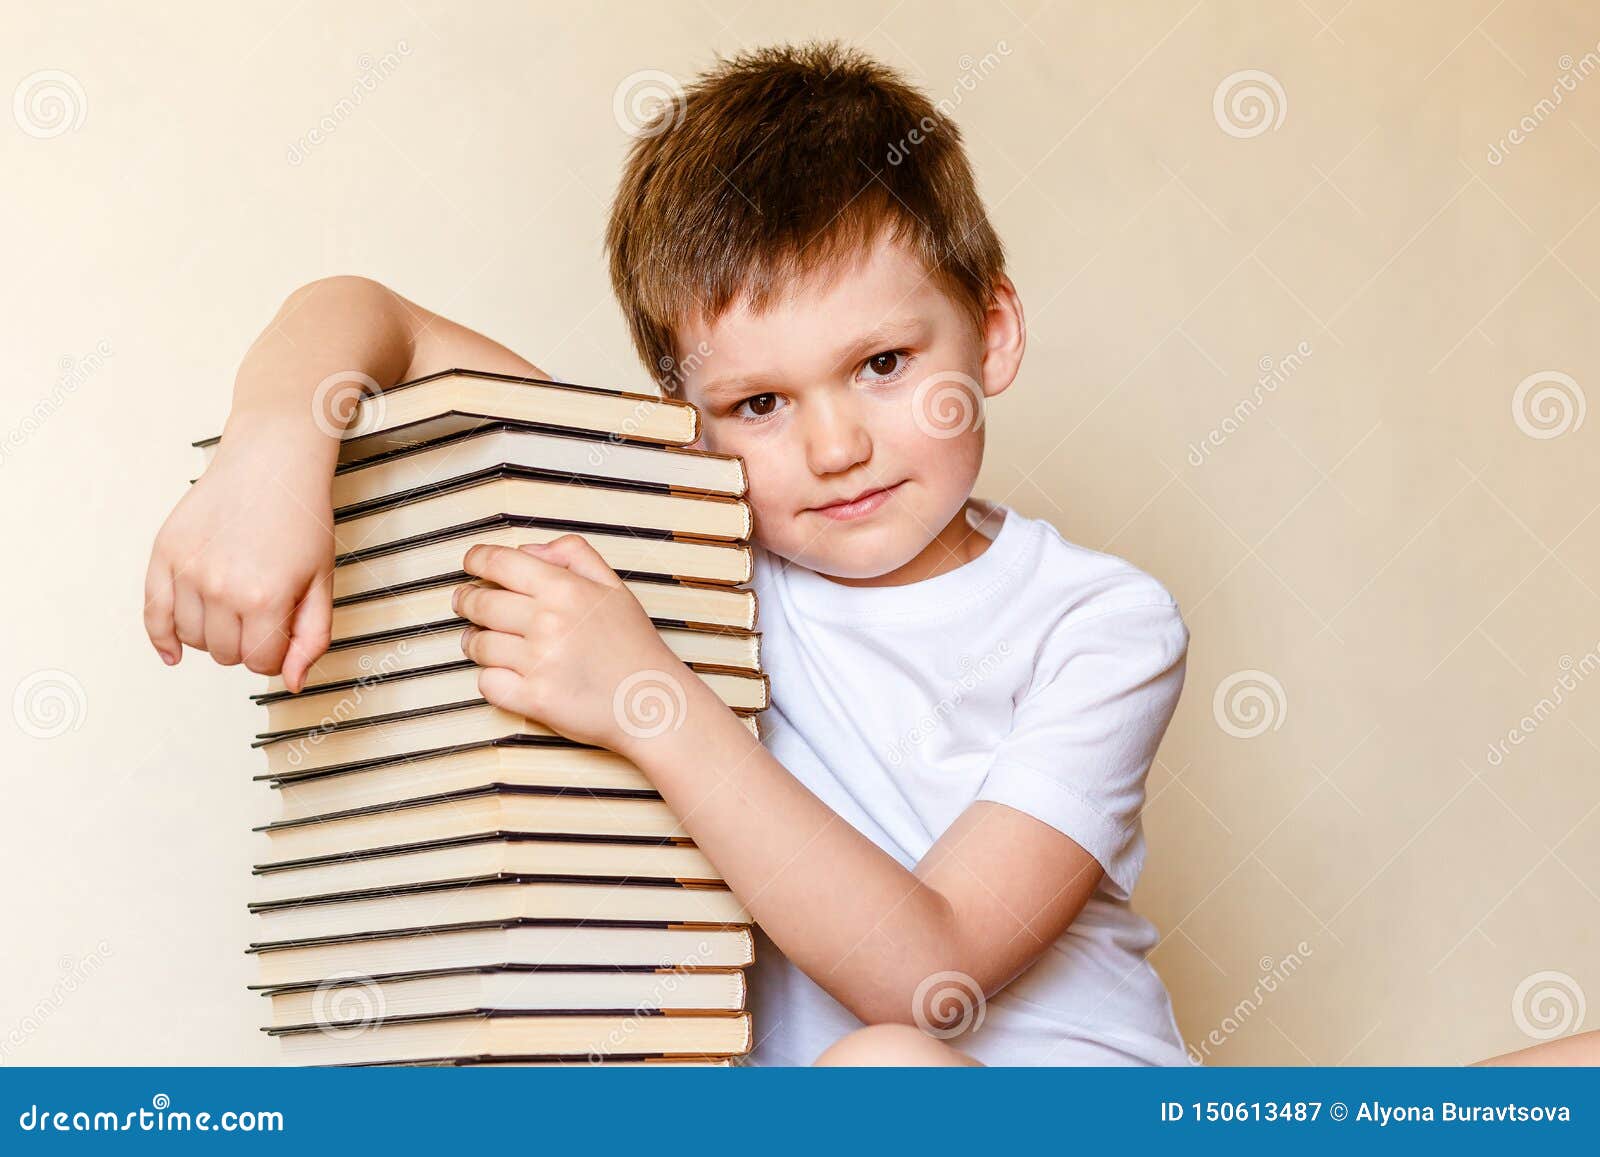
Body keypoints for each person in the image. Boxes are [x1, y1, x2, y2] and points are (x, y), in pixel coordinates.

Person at [143, 41, 1596, 1068]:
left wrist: (650, 699)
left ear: (993, 332)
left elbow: (934, 974)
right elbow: (373, 319)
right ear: (685, 424)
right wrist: (271, 447)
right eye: (759, 404)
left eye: (885, 363)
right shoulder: (687, 539)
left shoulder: (1098, 620)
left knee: (891, 1065)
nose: (834, 445)